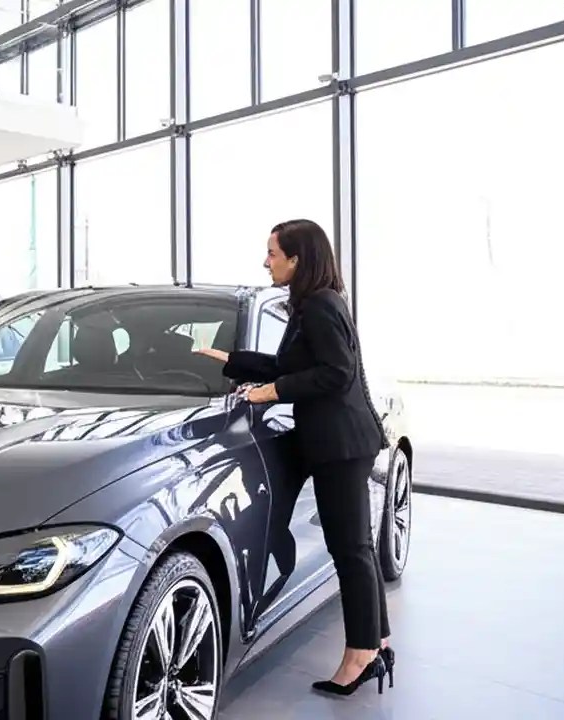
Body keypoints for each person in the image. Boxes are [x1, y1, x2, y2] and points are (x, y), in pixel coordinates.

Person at [196, 219, 394, 698]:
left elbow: (336, 373)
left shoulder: (322, 305)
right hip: (338, 442)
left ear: (297, 258)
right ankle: (379, 644)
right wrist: (228, 358)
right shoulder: (314, 305)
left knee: (350, 550)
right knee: (357, 549)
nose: (266, 262)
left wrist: (272, 392)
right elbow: (292, 365)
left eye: (272, 253)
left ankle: (361, 655)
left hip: (341, 445)